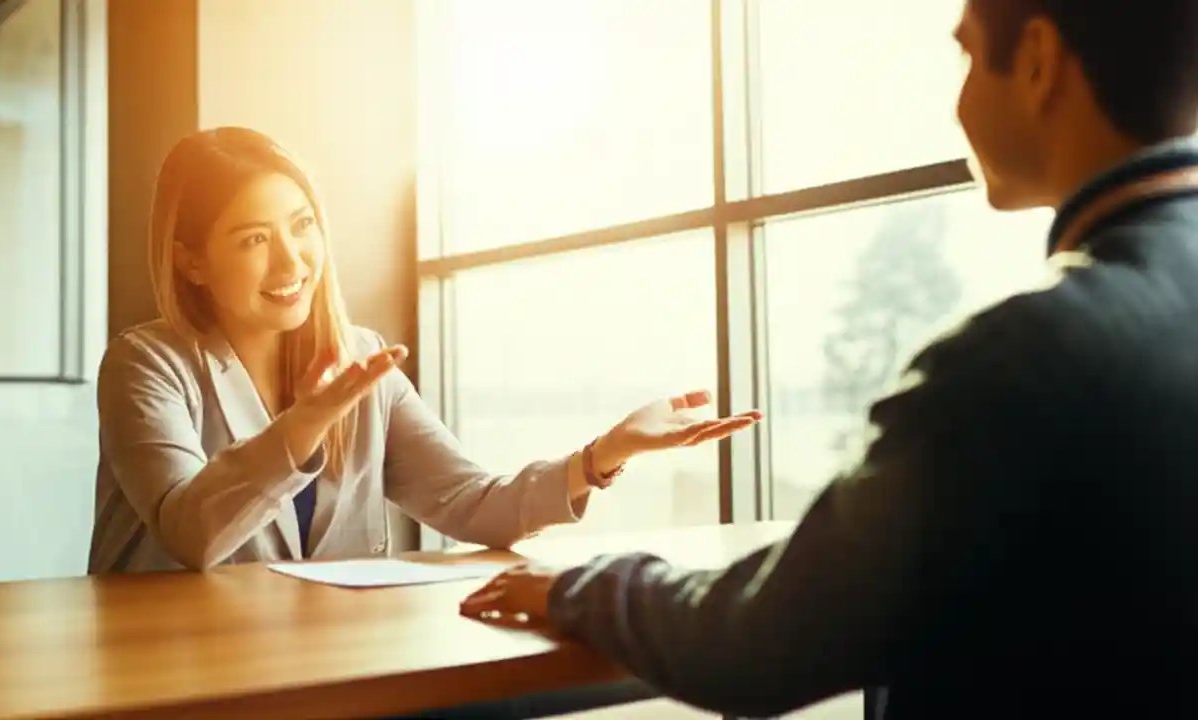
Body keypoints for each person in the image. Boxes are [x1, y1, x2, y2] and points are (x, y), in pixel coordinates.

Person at [461, 0, 1198, 716]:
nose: (959, 103)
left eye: (969, 54)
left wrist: (575, 588)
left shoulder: (1015, 362)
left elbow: (756, 642)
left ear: (1038, 62)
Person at [88, 127, 761, 573]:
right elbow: (190, 535)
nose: (292, 260)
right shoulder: (146, 365)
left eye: (302, 227)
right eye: (253, 240)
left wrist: (603, 455)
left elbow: (471, 505)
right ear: (192, 263)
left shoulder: (363, 357)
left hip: (320, 664)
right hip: (171, 668)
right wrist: (309, 421)